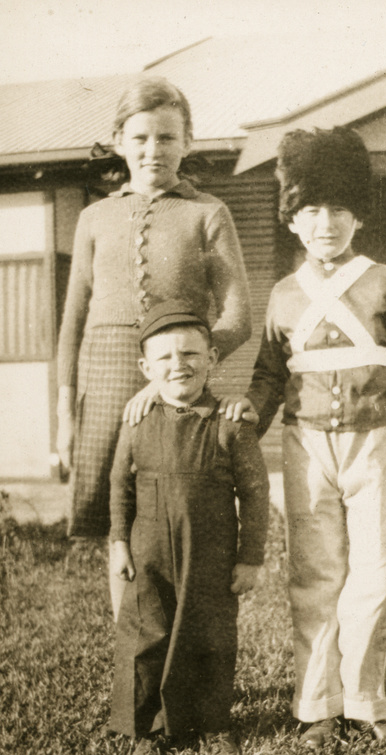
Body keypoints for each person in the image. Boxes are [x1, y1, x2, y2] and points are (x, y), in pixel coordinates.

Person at [231, 126, 386, 750]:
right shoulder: (283, 295)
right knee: (315, 574)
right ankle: (317, 704)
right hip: (305, 446)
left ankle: (367, 702)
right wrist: (247, 417)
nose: (327, 222)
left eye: (340, 209)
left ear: (359, 217)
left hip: (375, 441)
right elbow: (270, 373)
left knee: (376, 570)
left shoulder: (385, 282)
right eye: (313, 209)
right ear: (293, 219)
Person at [56, 75, 252, 617]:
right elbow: (71, 322)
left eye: (167, 138)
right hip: (106, 381)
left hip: (177, 392)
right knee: (117, 521)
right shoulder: (94, 218)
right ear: (119, 140)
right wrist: (64, 413)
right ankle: (132, 648)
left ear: (187, 142)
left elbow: (238, 317)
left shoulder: (207, 213)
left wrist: (175, 372)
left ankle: (178, 647)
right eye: (140, 138)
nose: (153, 151)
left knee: (172, 513)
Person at [107, 301, 269, 755]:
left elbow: (256, 495)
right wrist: (120, 541)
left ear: (213, 359)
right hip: (149, 554)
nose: (179, 365)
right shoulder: (136, 421)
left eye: (191, 354)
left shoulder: (231, 424)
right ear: (146, 368)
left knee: (212, 637)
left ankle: (214, 726)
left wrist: (249, 557)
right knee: (145, 636)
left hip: (210, 556)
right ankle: (143, 729)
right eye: (165, 357)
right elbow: (119, 483)